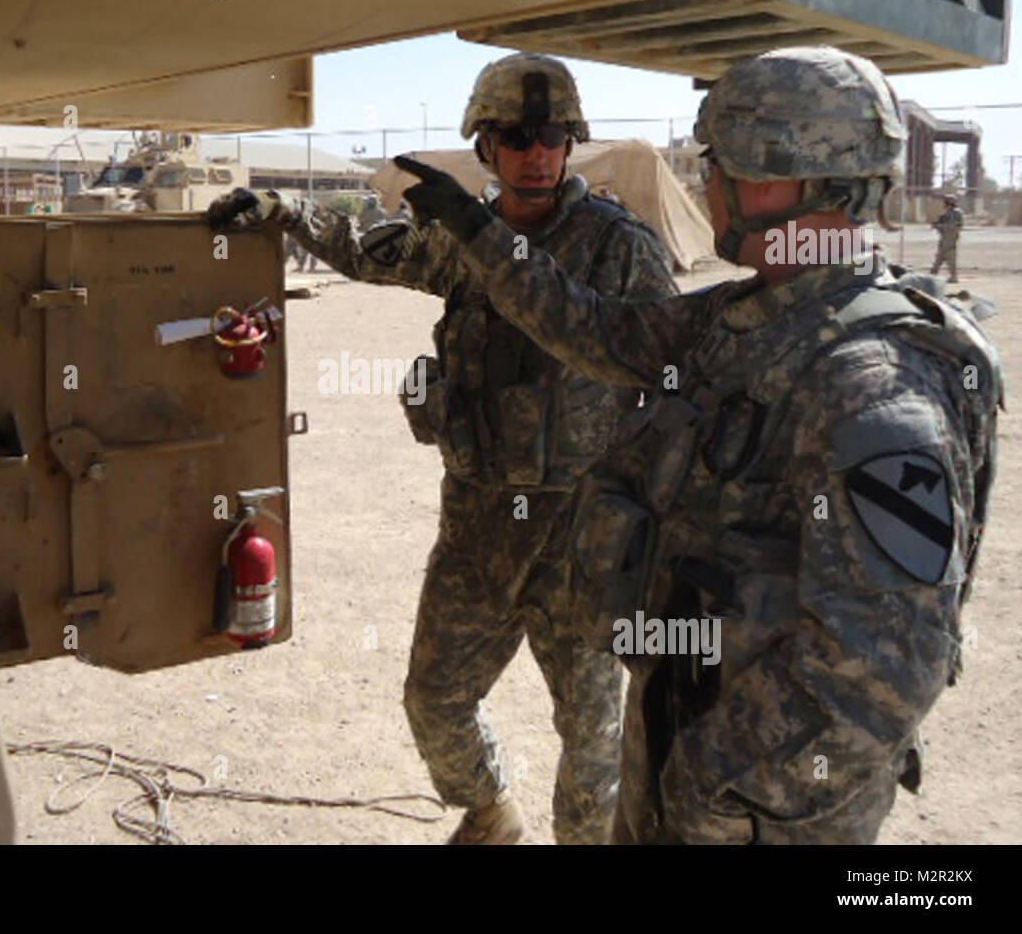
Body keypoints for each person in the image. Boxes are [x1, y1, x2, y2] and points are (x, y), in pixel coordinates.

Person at [395, 46, 1000, 844]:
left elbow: (885, 668)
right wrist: (479, 229)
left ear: (783, 178)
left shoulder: (872, 384)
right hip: (684, 746)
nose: (707, 186)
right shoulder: (741, 319)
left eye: (721, 165)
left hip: (756, 811)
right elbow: (586, 325)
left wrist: (711, 786)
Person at [208, 53, 677, 844]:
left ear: (572, 142)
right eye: (517, 135)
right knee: (435, 700)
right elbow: (370, 249)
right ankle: (492, 813)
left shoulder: (617, 247)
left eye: (554, 134)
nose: (538, 152)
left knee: (593, 745)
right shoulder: (463, 236)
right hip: (478, 526)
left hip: (581, 535)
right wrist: (283, 209)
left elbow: (672, 371)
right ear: (486, 145)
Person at [931, 193, 964, 283]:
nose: (944, 204)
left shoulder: (957, 213)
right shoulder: (946, 213)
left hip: (950, 239)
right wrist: (937, 225)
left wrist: (941, 226)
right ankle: (933, 275)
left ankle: (953, 277)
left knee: (950, 259)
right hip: (944, 239)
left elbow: (955, 226)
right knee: (939, 258)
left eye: (945, 202)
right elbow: (942, 225)